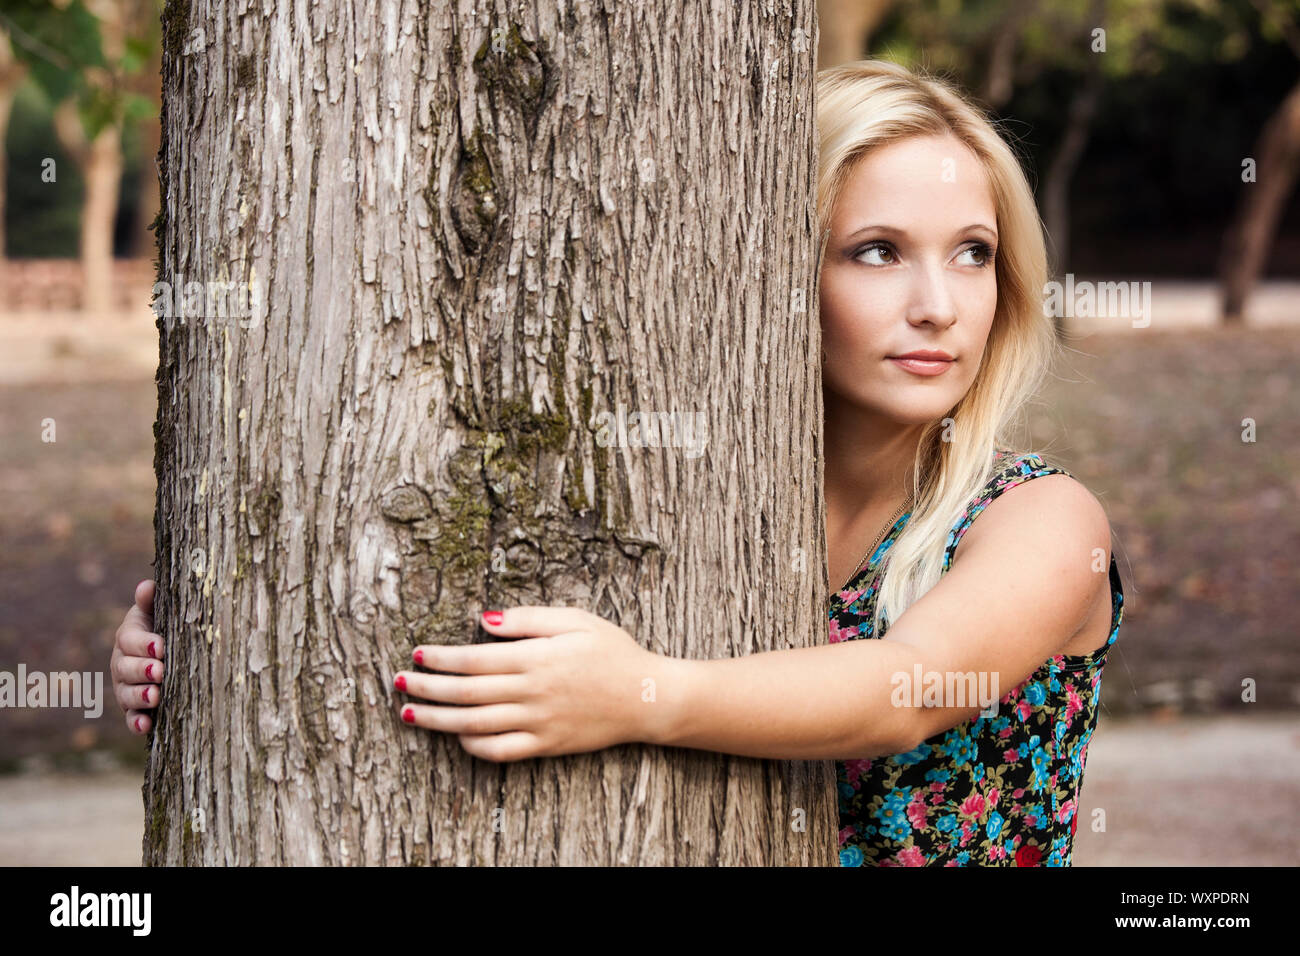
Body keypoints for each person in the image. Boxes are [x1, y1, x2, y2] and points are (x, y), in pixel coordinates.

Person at [111, 58, 1123, 866]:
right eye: (875, 250)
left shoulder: (1039, 518)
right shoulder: (710, 498)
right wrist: (214, 648)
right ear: (779, 264)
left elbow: (905, 689)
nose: (937, 305)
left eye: (972, 253)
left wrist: (644, 692)